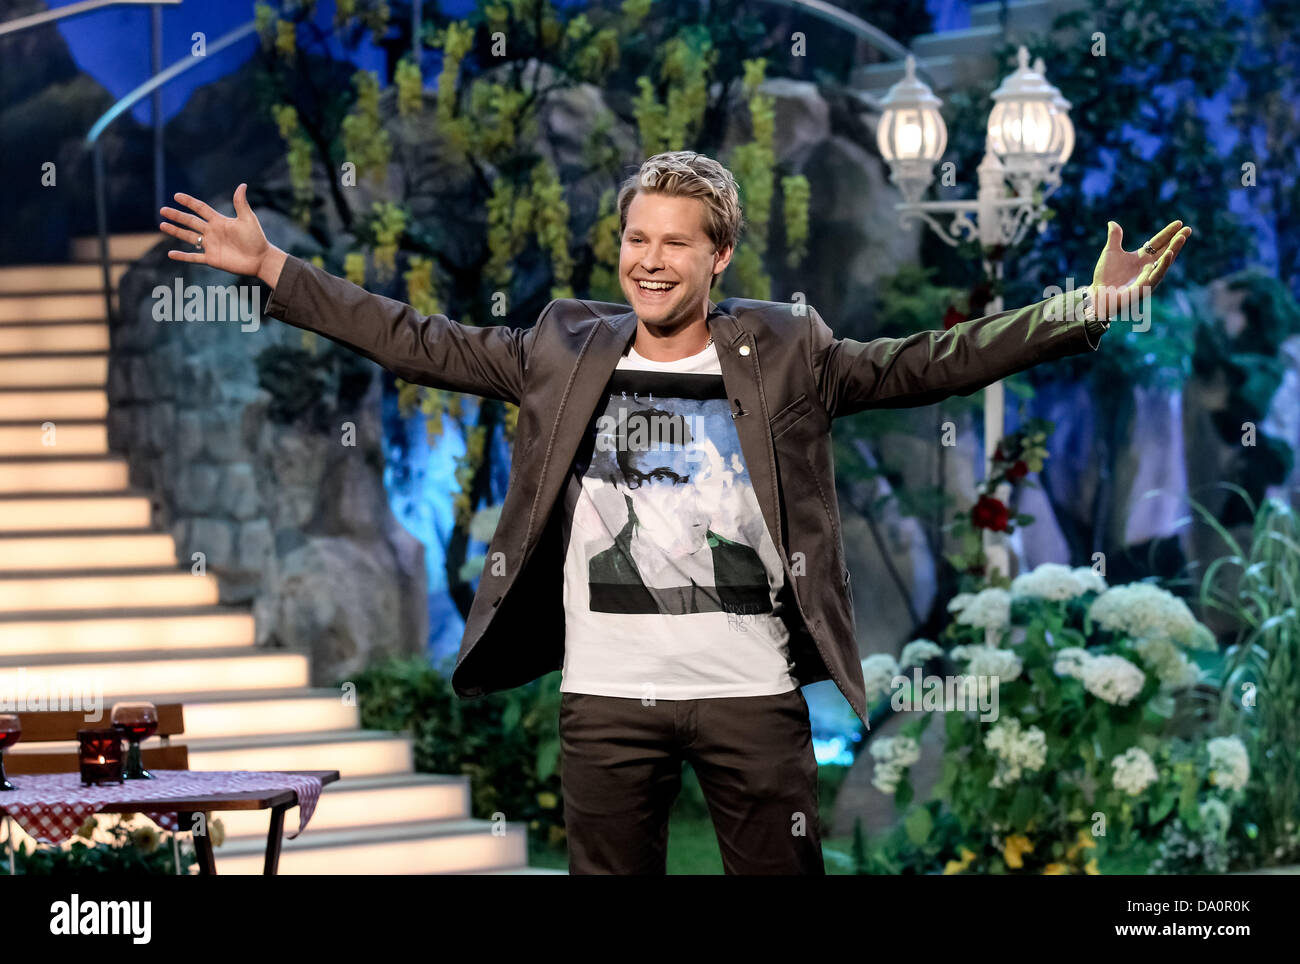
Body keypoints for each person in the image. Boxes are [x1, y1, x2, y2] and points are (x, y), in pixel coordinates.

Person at [160, 151, 1191, 874]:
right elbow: (414, 337)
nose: (648, 260)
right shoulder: (561, 348)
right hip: (606, 702)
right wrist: (275, 272)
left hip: (751, 700)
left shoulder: (788, 349)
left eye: (674, 243)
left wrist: (1082, 307)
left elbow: (932, 359)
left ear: (718, 256)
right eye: (634, 239)